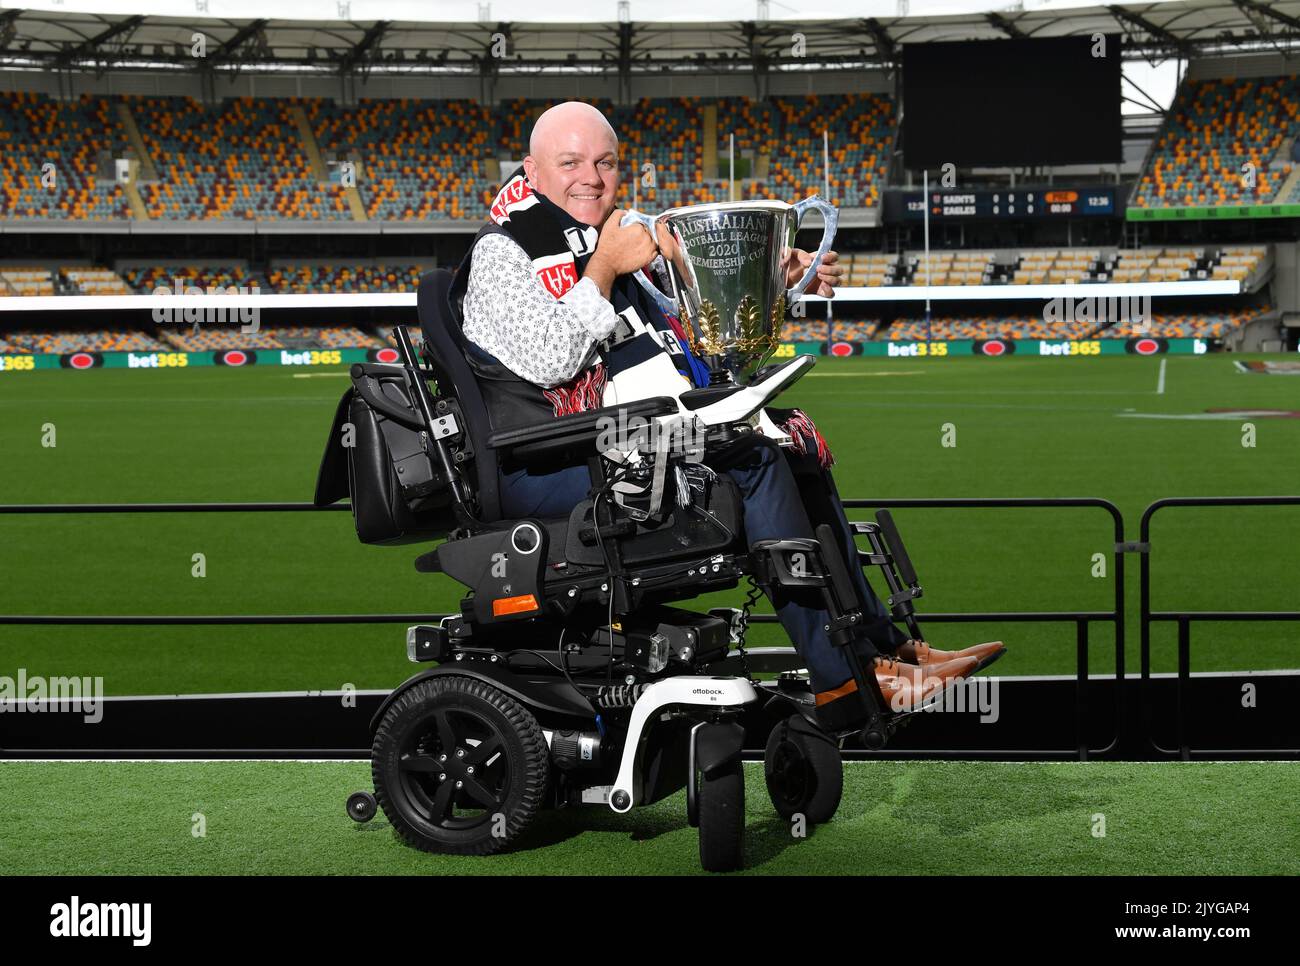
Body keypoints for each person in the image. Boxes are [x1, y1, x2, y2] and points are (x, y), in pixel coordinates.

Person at [450, 101, 1004, 730]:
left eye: (605, 163)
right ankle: (843, 678)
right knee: (752, 461)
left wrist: (773, 282)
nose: (592, 178)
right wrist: (604, 268)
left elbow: (693, 342)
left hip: (615, 440)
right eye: (571, 162)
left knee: (789, 452)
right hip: (546, 458)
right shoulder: (504, 254)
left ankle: (883, 649)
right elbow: (552, 359)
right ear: (532, 169)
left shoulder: (609, 242)